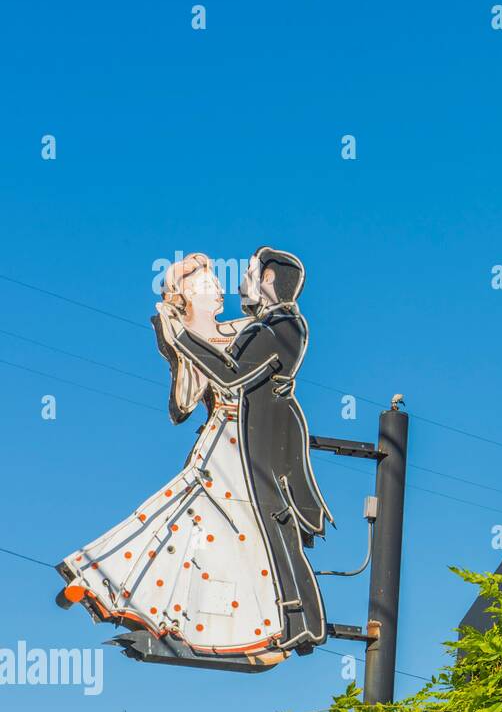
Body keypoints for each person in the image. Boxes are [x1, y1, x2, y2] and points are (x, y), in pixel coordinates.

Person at [55, 249, 330, 671]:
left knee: (251, 532)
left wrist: (181, 338)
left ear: (270, 281)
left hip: (254, 445)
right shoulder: (254, 328)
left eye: (247, 276)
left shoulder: (276, 328)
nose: (232, 286)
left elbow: (231, 374)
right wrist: (181, 339)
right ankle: (112, 585)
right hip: (227, 442)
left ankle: (287, 624)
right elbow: (186, 398)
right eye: (211, 285)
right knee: (195, 523)